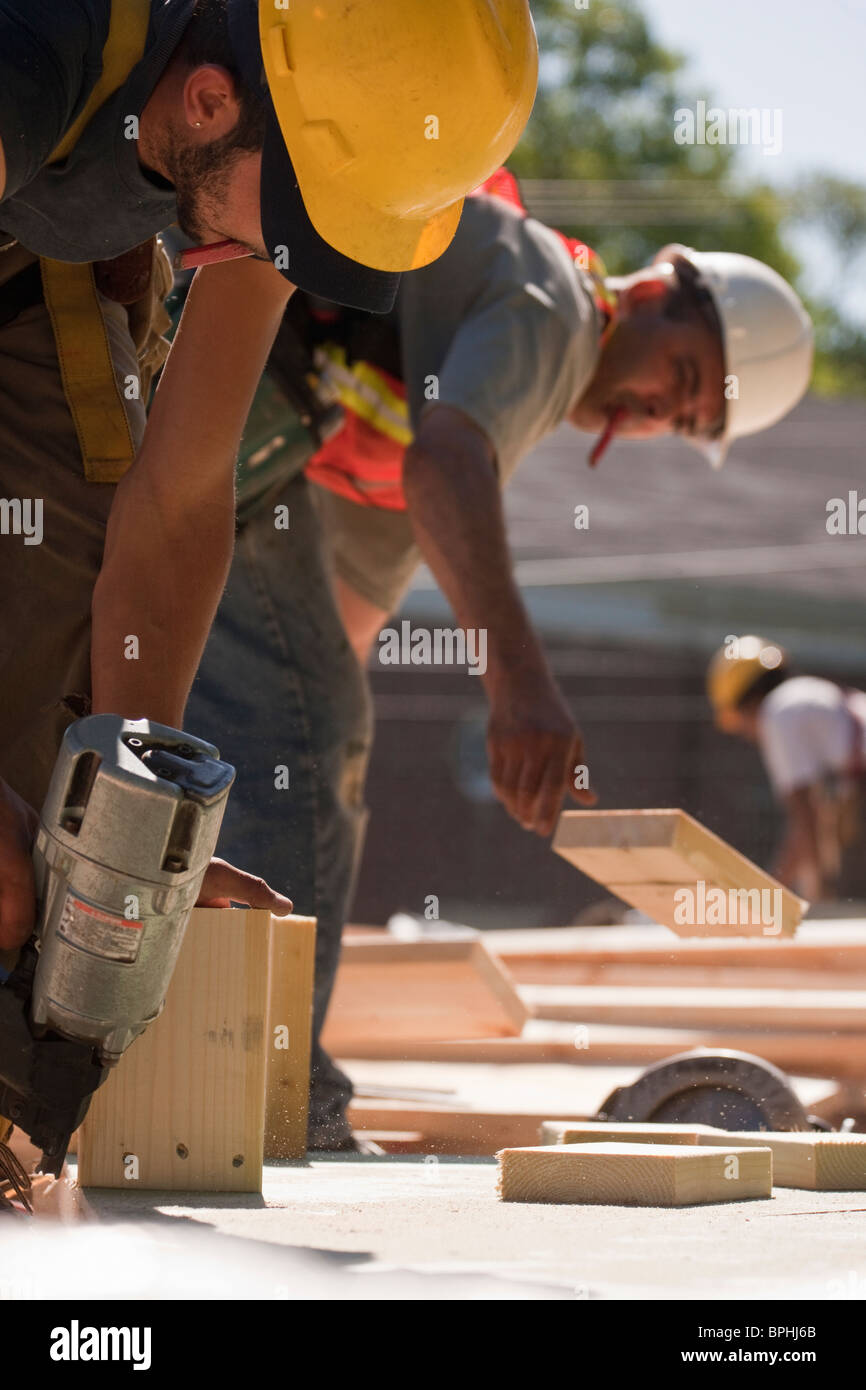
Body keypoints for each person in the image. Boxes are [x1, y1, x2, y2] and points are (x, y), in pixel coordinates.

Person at [182, 169, 815, 1146]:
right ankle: (259, 1095)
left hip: (211, 432)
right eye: (680, 378)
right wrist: (519, 685)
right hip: (196, 380)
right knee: (304, 734)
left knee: (309, 735)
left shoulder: (471, 389)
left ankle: (208, 1068)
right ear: (650, 292)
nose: (652, 411)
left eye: (682, 422)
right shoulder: (549, 304)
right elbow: (445, 465)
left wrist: (325, 766)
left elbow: (333, 650)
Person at [0, 0, 539, 949]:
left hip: (37, 248)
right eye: (295, 221)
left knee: (48, 765)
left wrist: (133, 828)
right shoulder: (44, 37)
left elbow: (180, 497)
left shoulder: (270, 99)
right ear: (208, 101)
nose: (286, 256)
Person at [707, 636, 866, 903]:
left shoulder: (778, 714)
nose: (746, 735)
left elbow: (805, 818)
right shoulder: (804, 694)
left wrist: (771, 896)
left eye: (738, 723)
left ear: (746, 702)